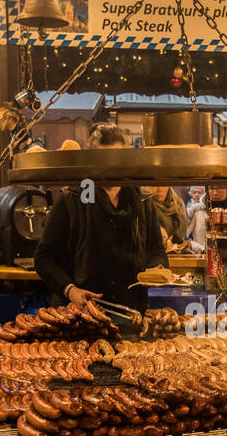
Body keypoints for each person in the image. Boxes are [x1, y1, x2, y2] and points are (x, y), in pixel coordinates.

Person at [34, 122, 168, 310]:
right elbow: (43, 258)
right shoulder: (73, 199)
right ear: (92, 160)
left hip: (130, 311)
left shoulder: (143, 201)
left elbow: (157, 251)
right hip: (80, 314)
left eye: (117, 160)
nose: (111, 167)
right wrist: (70, 290)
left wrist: (157, 268)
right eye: (105, 160)